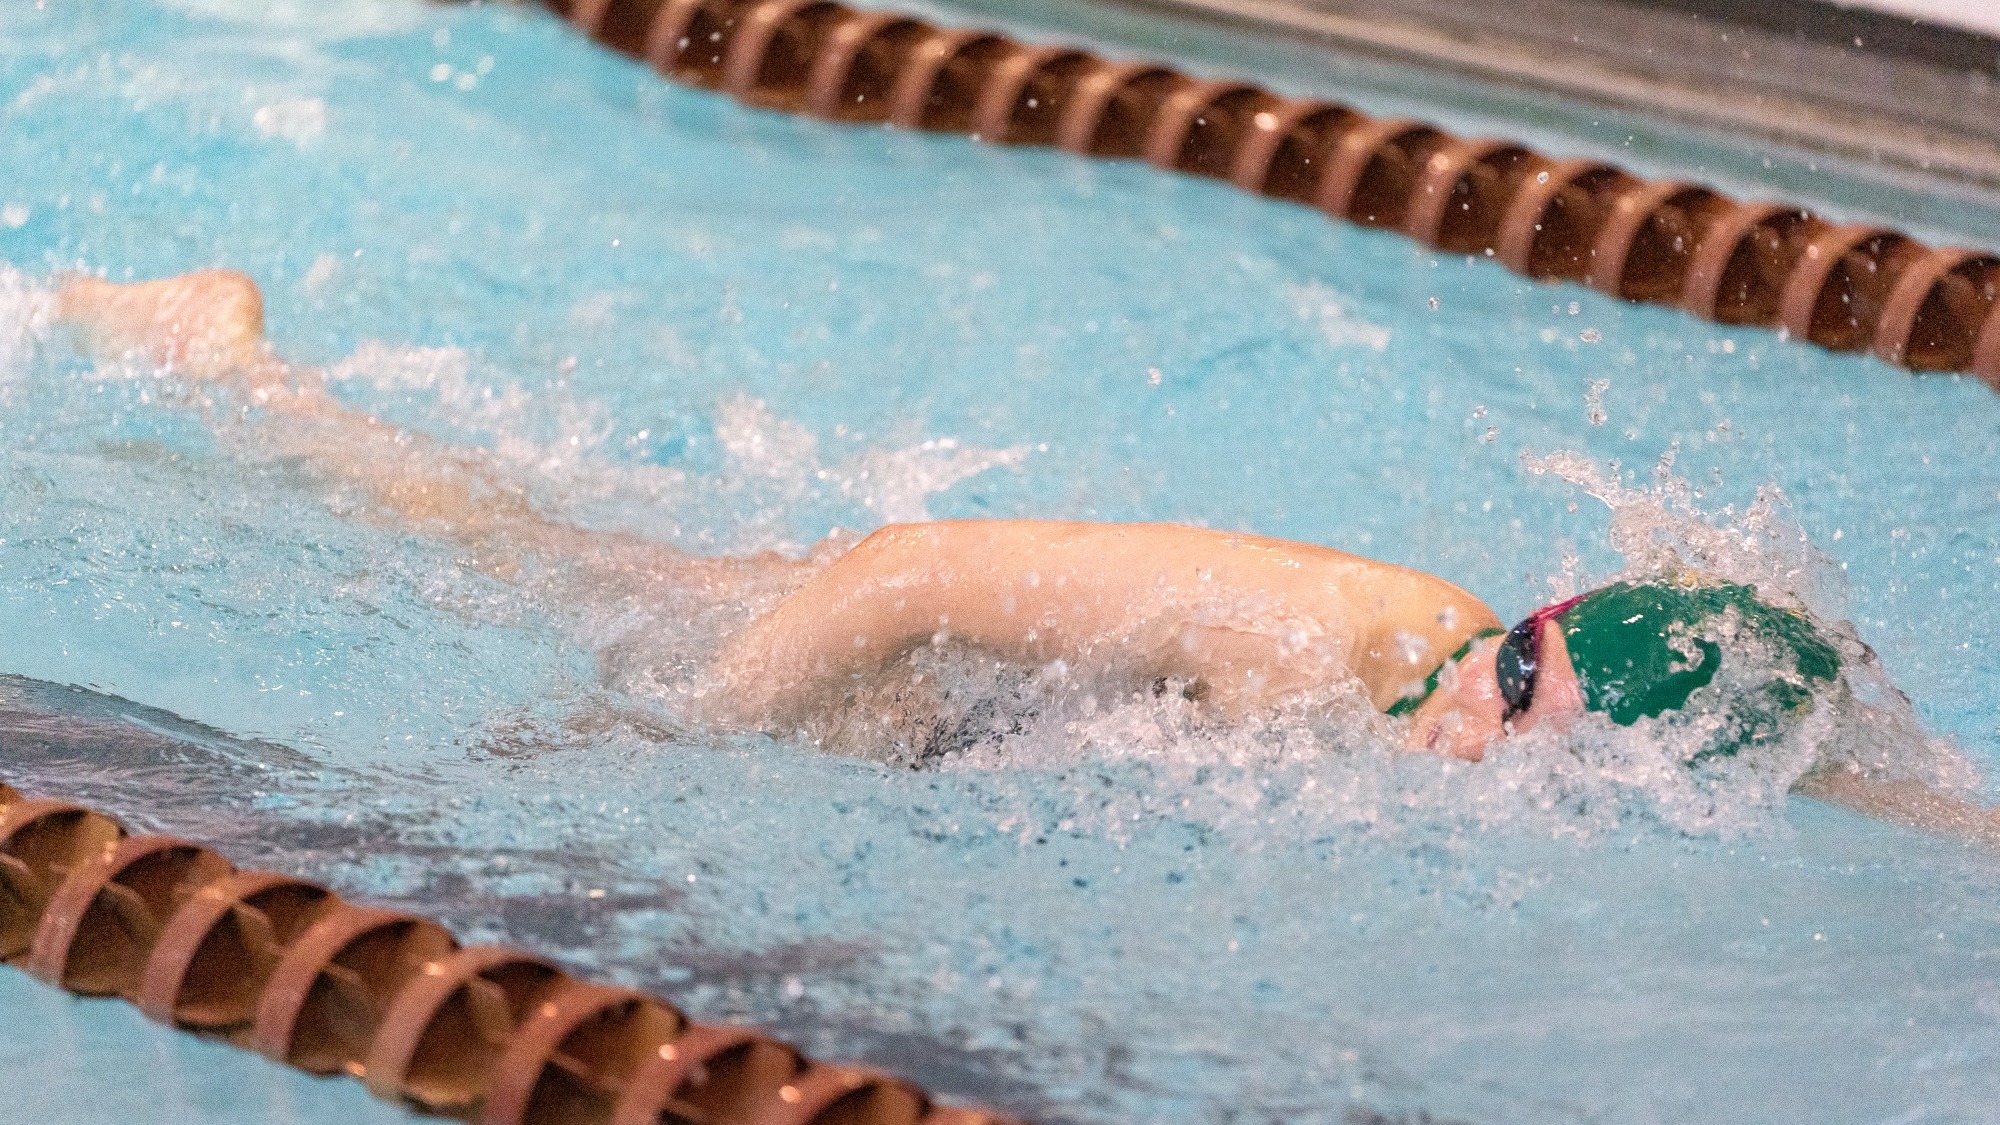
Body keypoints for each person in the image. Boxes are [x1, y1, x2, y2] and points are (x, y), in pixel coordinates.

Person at [49, 269, 2000, 844]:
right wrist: (650, 735)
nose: (1487, 737)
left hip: (950, 712)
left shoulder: (1614, 708)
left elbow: (1855, 755)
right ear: (1522, 625)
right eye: (1508, 682)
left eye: (1548, 739)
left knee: (524, 531)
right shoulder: (1347, 637)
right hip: (849, 646)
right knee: (482, 547)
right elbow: (904, 566)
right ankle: (233, 367)